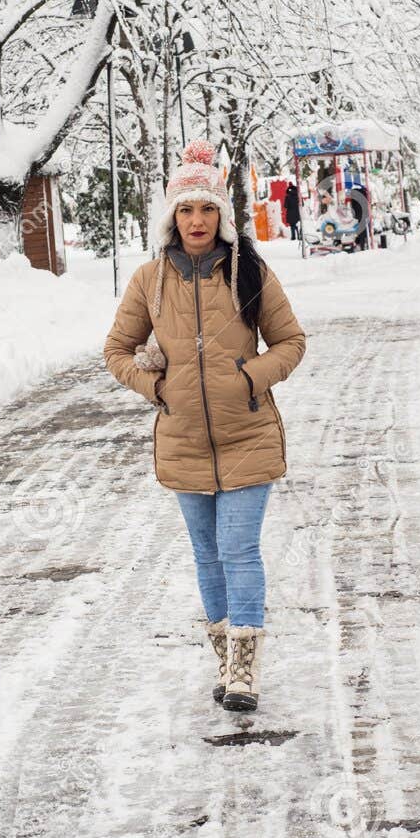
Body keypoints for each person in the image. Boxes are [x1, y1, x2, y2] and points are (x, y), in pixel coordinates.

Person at [103, 140, 306, 713]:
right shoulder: (149, 281)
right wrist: (157, 387)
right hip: (184, 439)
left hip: (247, 434)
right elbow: (116, 351)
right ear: (173, 218)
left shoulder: (250, 274)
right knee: (207, 554)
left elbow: (291, 342)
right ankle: (224, 657)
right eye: (187, 210)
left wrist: (248, 378)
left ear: (222, 215)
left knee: (238, 548)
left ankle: (244, 670)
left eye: (208, 209)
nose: (197, 221)